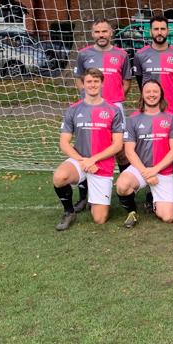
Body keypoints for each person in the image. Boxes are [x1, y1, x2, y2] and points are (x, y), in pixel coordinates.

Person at [71, 18, 133, 211]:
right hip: (89, 109)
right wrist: (87, 99)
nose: (101, 35)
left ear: (111, 33)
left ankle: (125, 191)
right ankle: (84, 196)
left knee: (121, 150)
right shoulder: (83, 54)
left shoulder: (122, 54)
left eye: (104, 31)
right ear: (92, 34)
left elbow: (126, 82)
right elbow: (79, 80)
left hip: (114, 108)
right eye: (97, 32)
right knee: (85, 149)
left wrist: (113, 101)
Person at [52, 68, 124, 230]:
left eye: (96, 81)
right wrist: (83, 161)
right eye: (89, 81)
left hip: (101, 164)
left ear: (102, 83)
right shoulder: (73, 109)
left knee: (100, 219)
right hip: (81, 160)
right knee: (59, 177)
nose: (92, 85)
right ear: (83, 84)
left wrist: (93, 159)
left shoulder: (113, 110)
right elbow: (64, 143)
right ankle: (69, 211)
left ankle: (92, 194)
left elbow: (118, 144)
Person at [115, 79, 173, 227]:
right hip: (140, 168)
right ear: (142, 95)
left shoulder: (171, 118)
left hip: (162, 170)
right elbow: (129, 151)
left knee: (168, 217)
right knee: (122, 185)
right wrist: (146, 172)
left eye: (155, 91)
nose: (152, 95)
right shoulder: (133, 119)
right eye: (148, 92)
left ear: (161, 94)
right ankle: (132, 212)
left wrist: (155, 170)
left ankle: (156, 201)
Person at [131, 14, 173, 115]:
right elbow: (140, 81)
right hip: (148, 107)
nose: (159, 32)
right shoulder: (140, 54)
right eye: (156, 29)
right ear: (150, 32)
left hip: (171, 108)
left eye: (163, 29)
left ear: (168, 31)